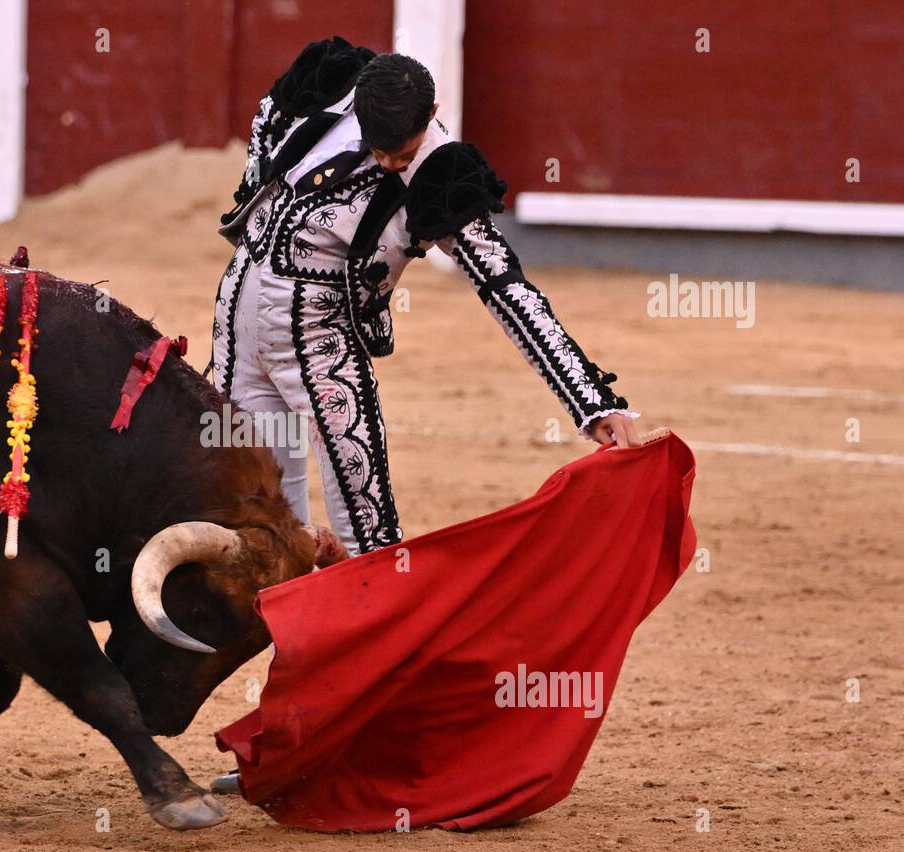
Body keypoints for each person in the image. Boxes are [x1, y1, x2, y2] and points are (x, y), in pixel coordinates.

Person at [210, 36, 641, 562]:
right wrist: (254, 188)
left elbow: (504, 286)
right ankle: (288, 634)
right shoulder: (336, 78)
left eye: (404, 151)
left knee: (368, 533)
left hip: (319, 340)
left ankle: (367, 635)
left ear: (434, 113)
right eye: (379, 147)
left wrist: (590, 400)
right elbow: (268, 116)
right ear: (357, 108)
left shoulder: (440, 174)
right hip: (236, 316)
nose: (391, 162)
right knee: (253, 515)